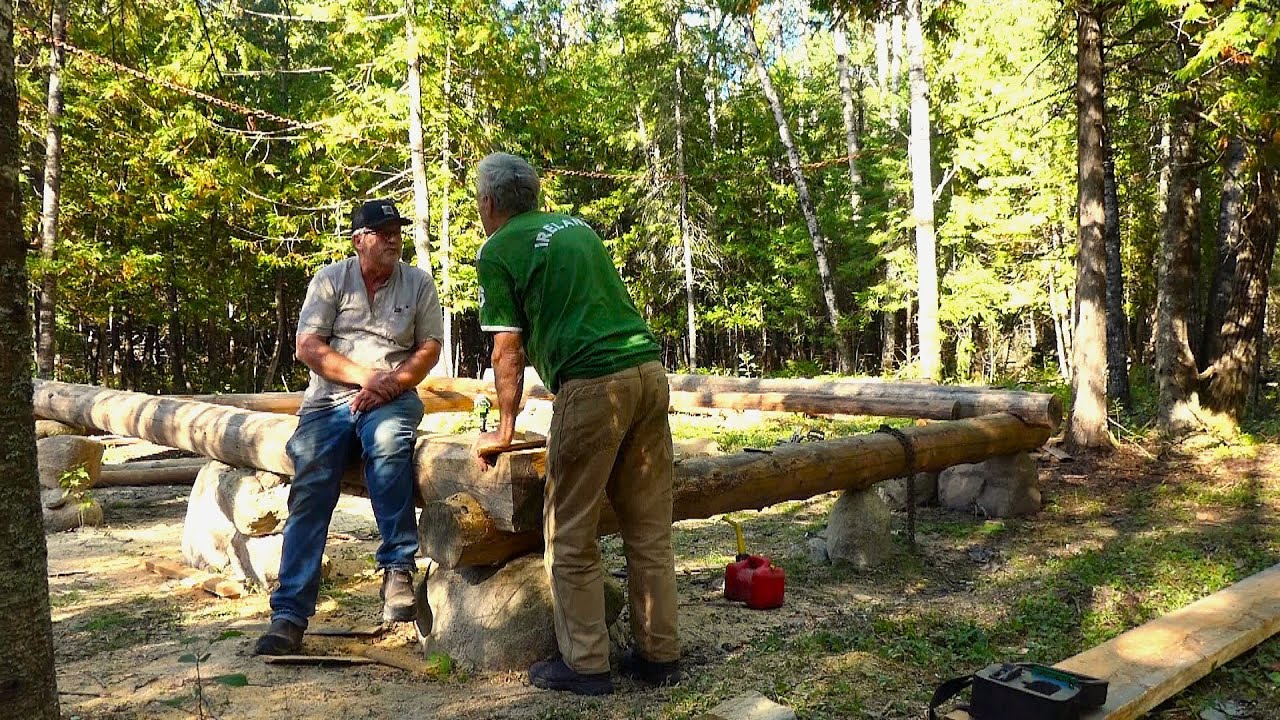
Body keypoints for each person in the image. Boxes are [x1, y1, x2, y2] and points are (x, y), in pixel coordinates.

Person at [472, 153, 680, 695]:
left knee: (568, 530)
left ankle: (586, 664)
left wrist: (506, 427)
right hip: (648, 372)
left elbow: (506, 347)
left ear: (489, 203)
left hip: (592, 385)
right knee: (648, 524)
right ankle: (660, 655)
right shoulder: (577, 228)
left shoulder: (497, 248)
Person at [254, 199, 443, 656]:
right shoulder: (330, 280)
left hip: (393, 397)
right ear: (359, 240)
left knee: (388, 442)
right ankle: (289, 615)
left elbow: (430, 347)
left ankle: (398, 568)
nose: (394, 238)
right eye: (382, 232)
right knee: (313, 478)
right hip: (330, 400)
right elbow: (308, 347)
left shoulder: (417, 283)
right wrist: (365, 378)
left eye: (396, 230)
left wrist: (391, 383)